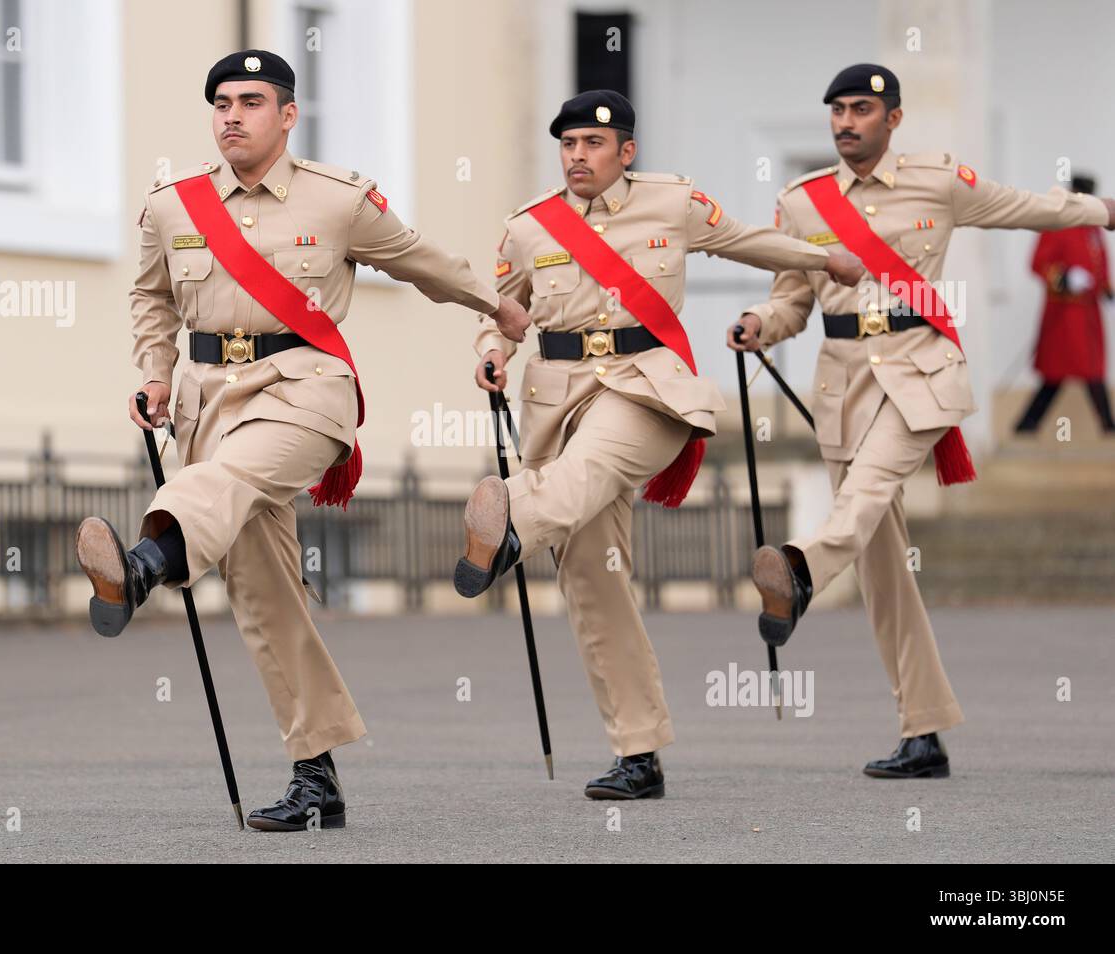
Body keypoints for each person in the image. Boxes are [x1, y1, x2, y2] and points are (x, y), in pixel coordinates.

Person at [74, 49, 530, 831]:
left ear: (287, 115)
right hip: (208, 405)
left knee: (232, 480)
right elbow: (150, 299)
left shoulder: (339, 200)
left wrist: (503, 308)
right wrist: (154, 374)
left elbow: (424, 263)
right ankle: (316, 775)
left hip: (304, 394)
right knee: (266, 599)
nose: (231, 116)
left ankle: (149, 561)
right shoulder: (172, 206)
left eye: (251, 102)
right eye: (220, 101)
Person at [458, 90, 863, 799]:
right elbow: (504, 313)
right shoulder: (528, 228)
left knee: (590, 467)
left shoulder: (673, 202)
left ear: (626, 151)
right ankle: (638, 754)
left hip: (646, 389)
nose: (578, 156)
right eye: (569, 145)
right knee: (594, 582)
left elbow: (743, 240)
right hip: (557, 399)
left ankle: (511, 520)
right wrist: (491, 349)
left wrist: (827, 261)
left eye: (592, 144)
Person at [731, 64, 1115, 779]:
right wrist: (760, 322)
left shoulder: (938, 181)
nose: (846, 122)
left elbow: (1029, 208)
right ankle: (924, 733)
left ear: (893, 118)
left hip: (918, 372)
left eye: (862, 109)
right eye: (838, 111)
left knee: (865, 493)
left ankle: (806, 566)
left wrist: (1105, 212)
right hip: (844, 384)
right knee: (885, 571)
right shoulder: (803, 203)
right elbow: (792, 302)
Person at [1015, 174, 1114, 433]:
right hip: (1064, 313)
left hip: (1089, 313)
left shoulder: (1093, 228)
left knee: (1091, 368)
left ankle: (1029, 425)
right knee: (1058, 372)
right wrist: (1065, 277)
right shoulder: (1056, 224)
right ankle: (1028, 425)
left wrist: (1106, 288)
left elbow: (1100, 266)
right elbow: (1038, 264)